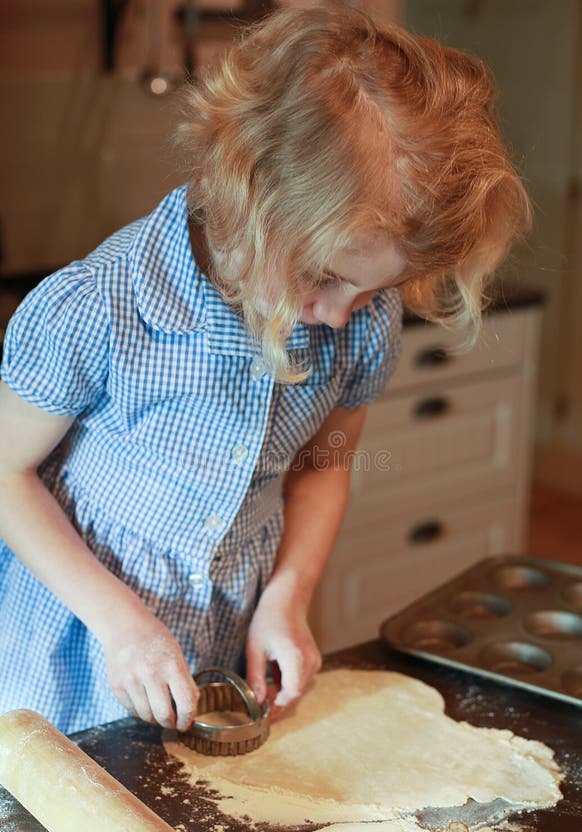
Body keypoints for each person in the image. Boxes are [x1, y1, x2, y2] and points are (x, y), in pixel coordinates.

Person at [0, 4, 530, 735]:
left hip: (218, 639)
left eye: (373, 291)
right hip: (76, 644)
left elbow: (326, 458)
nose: (345, 315)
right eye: (324, 276)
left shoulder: (356, 329)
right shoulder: (104, 307)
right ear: (249, 201)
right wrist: (120, 624)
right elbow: (5, 474)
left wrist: (289, 593)